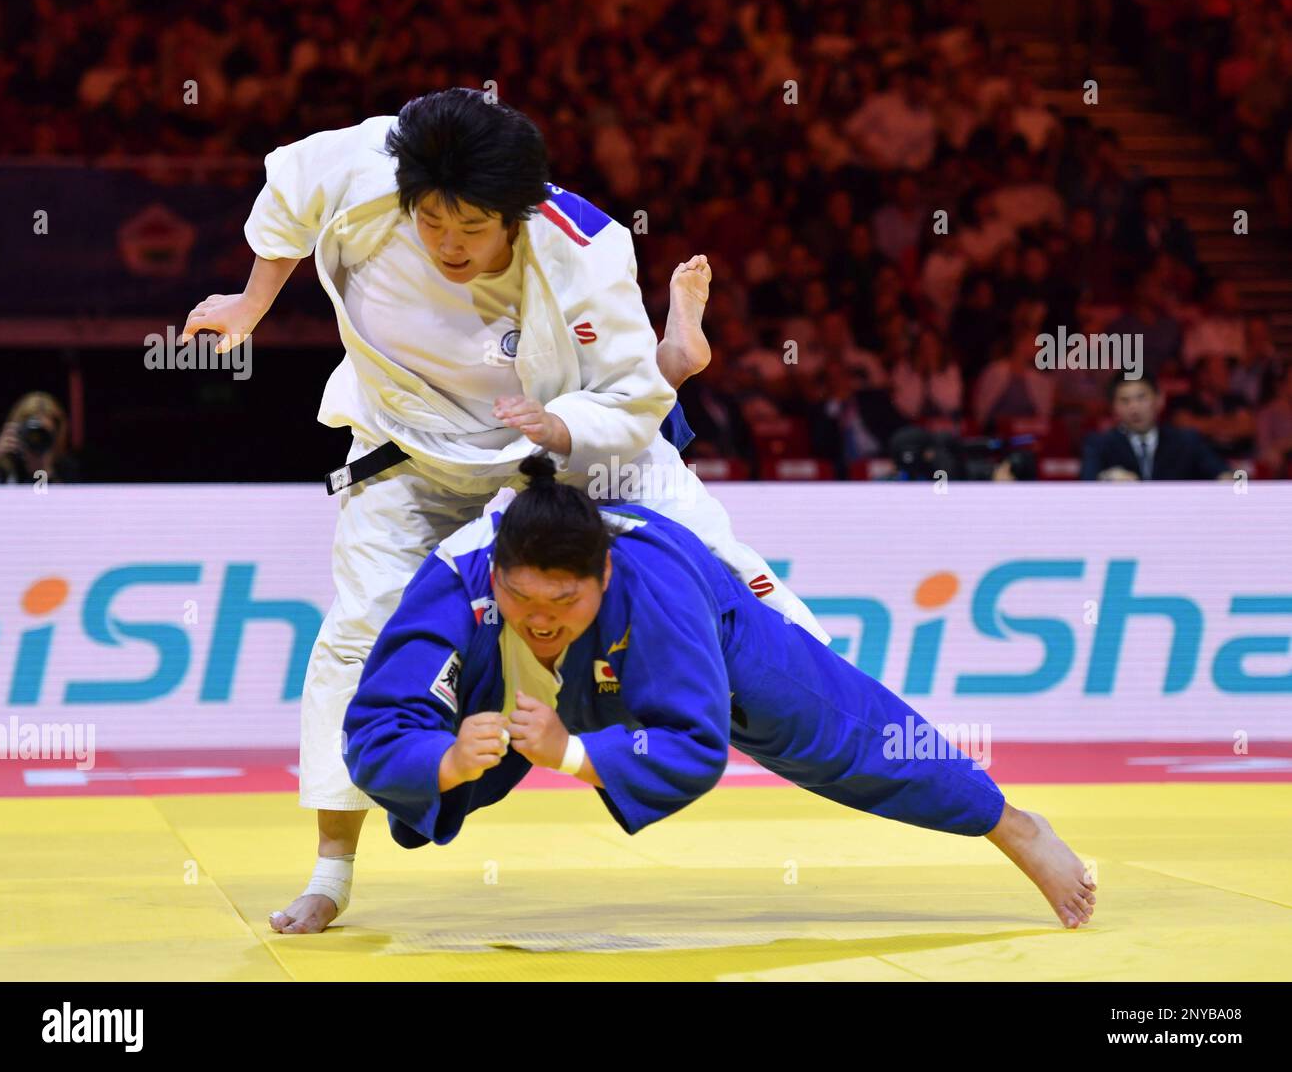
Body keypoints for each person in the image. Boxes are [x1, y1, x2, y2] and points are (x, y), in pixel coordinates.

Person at [181, 88, 827, 935]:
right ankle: (329, 873)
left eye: (471, 229)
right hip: (406, 454)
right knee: (355, 633)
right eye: (433, 223)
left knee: (727, 570)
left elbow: (626, 402)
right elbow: (284, 204)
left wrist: (563, 423)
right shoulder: (363, 167)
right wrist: (251, 303)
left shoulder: (586, 247)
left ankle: (852, 709)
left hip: (558, 450)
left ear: (517, 216)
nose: (448, 244)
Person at [342, 454, 1098, 931]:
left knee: (848, 738)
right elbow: (376, 722)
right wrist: (442, 762)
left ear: (602, 578)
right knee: (431, 774)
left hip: (714, 636)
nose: (540, 620)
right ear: (495, 574)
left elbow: (695, 746)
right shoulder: (456, 582)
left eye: (561, 603)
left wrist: (571, 752)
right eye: (521, 599)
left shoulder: (653, 580)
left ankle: (1013, 825)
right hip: (518, 683)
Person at [1080, 373, 1229, 481]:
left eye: (1141, 398)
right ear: (1114, 408)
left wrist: (1235, 480)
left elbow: (1229, 474)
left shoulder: (1187, 441)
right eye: (1125, 401)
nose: (1134, 408)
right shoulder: (1099, 444)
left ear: (1160, 400)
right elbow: (1086, 483)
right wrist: (1106, 479)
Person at [0, 392, 78, 484]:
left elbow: (47, 496)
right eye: (31, 433)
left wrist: (44, 471)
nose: (37, 440)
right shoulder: (6, 467)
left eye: (44, 434)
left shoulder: (67, 470)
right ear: (19, 433)